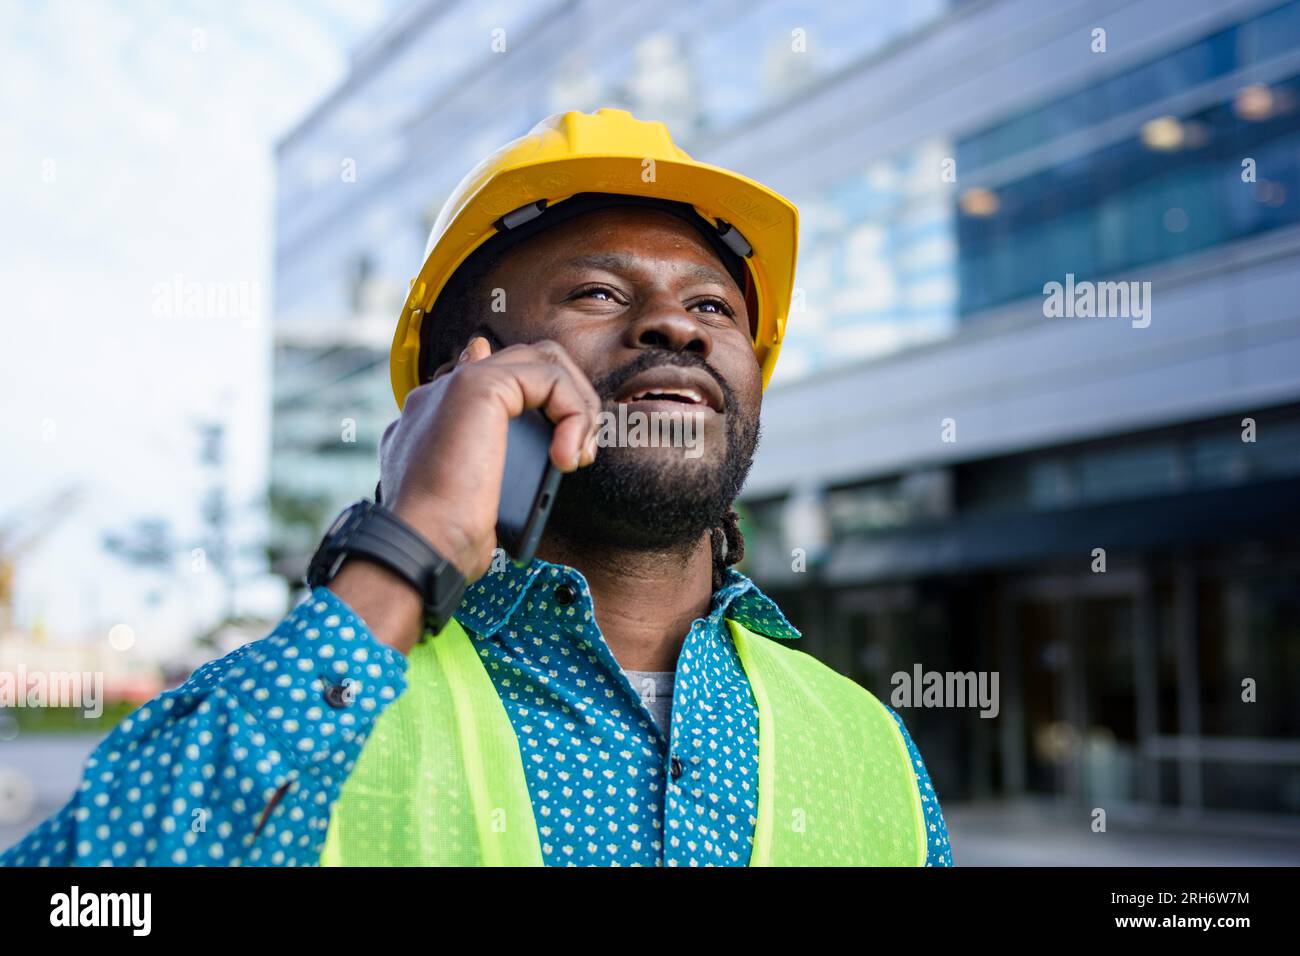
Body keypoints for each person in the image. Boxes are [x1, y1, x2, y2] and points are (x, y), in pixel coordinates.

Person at [2, 108, 952, 867]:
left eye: (711, 306)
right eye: (599, 294)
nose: (679, 327)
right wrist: (403, 550)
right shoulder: (323, 698)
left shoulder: (871, 750)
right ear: (472, 380)